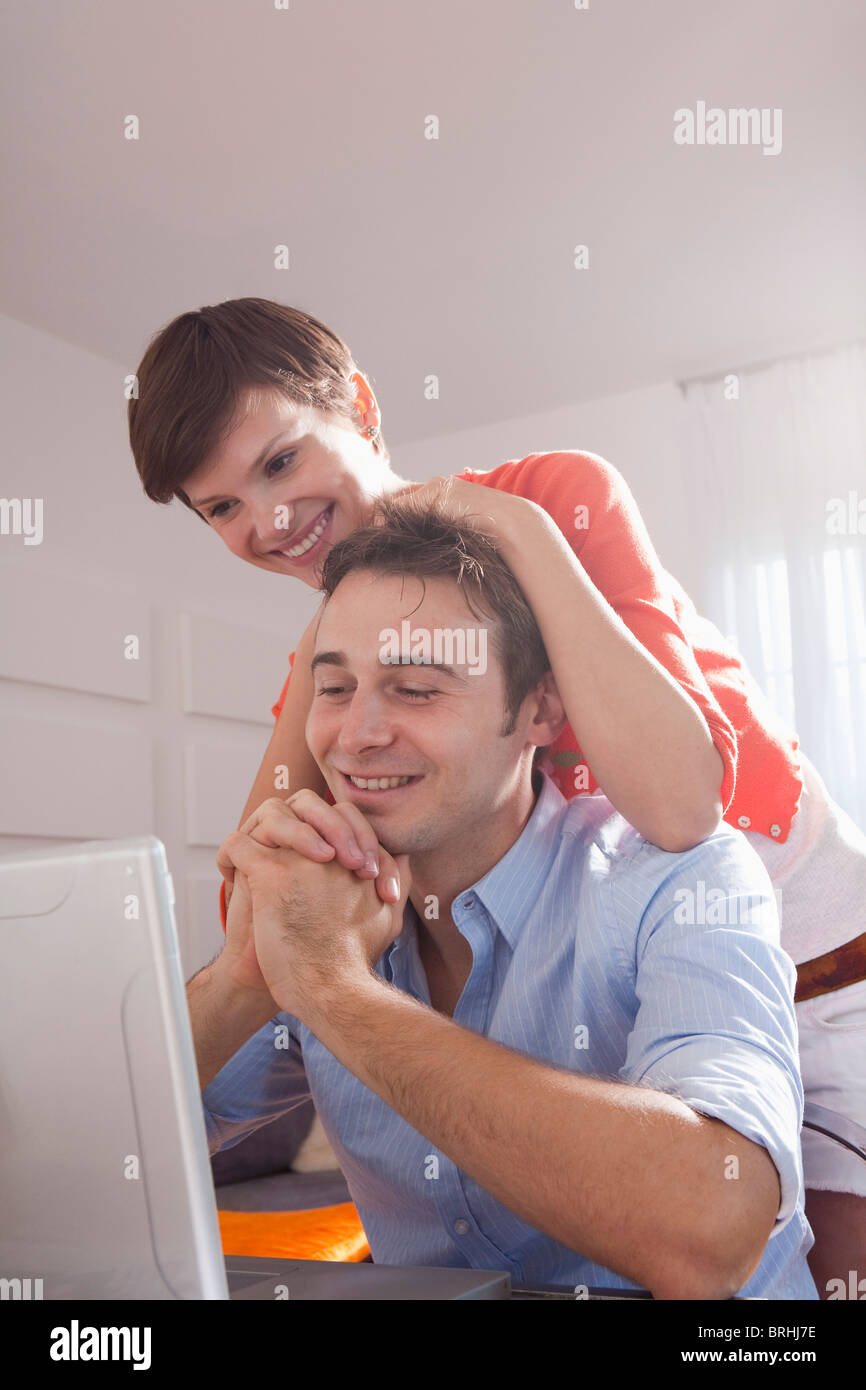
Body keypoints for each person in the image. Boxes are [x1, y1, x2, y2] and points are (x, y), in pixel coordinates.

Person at [128, 296, 866, 1292]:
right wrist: (322, 667)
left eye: (278, 462)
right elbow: (253, 909)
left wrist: (508, 527)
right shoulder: (330, 647)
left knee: (798, 1271)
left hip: (822, 966)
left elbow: (681, 810)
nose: (266, 520)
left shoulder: (539, 505)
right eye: (219, 508)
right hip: (656, 985)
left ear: (357, 402)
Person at [192, 499, 817, 1298]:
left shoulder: (684, 880)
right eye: (336, 687)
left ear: (538, 710)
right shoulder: (324, 905)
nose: (355, 736)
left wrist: (335, 991)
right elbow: (103, 1143)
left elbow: (712, 1230)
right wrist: (244, 976)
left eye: (415, 689)